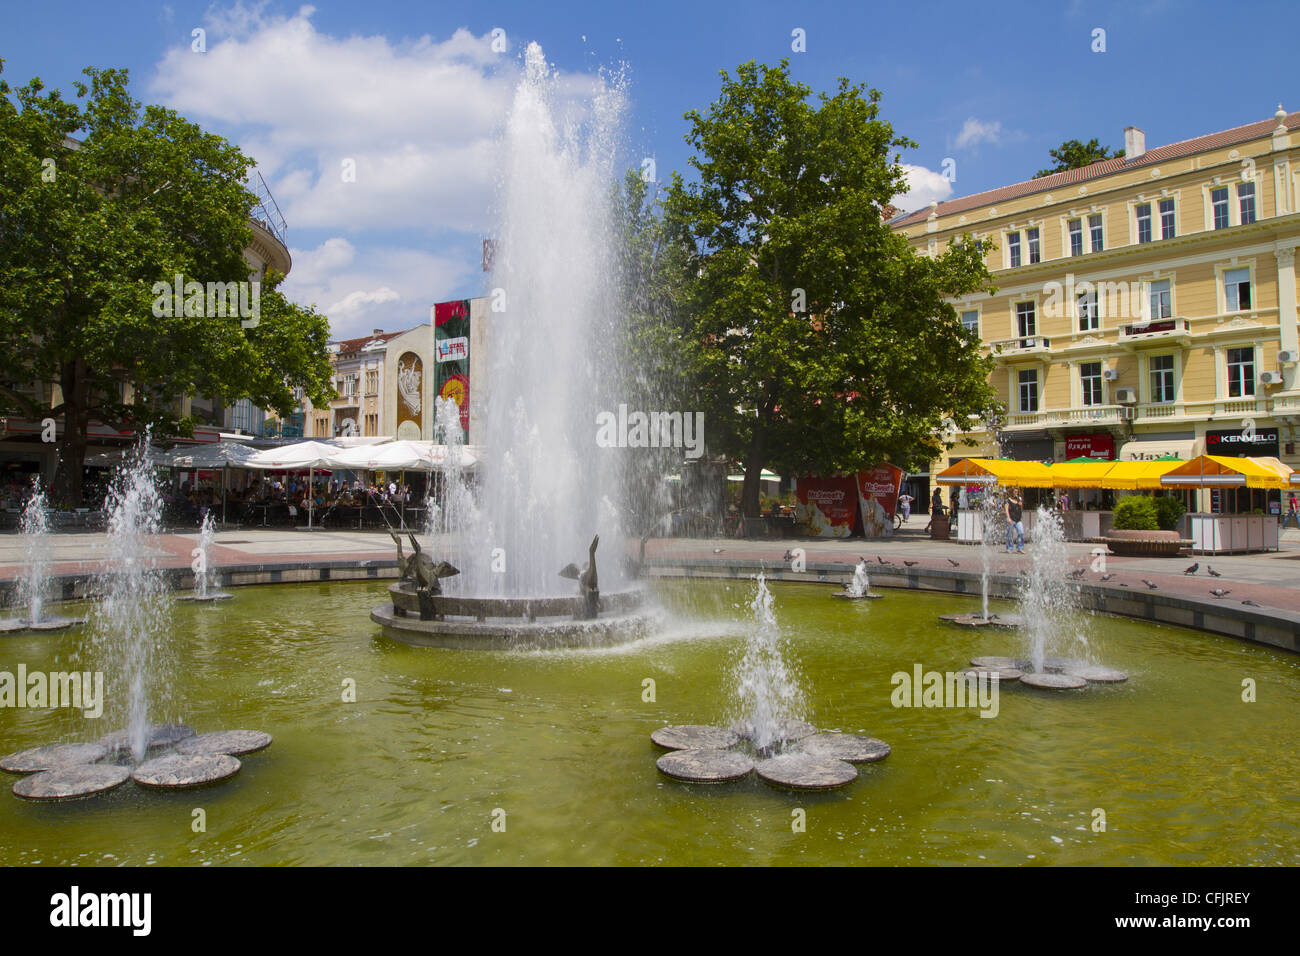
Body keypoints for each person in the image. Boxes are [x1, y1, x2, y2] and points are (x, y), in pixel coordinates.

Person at [1005, 488, 1025, 553]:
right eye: (1015, 491)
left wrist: (1020, 504)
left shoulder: (1018, 499)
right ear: (1012, 492)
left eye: (1017, 491)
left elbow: (1020, 508)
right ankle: (1009, 548)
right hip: (1011, 519)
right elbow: (1006, 510)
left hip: (1018, 519)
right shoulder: (1007, 500)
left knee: (1021, 532)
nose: (1016, 493)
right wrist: (1008, 518)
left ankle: (1020, 547)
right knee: (1010, 534)